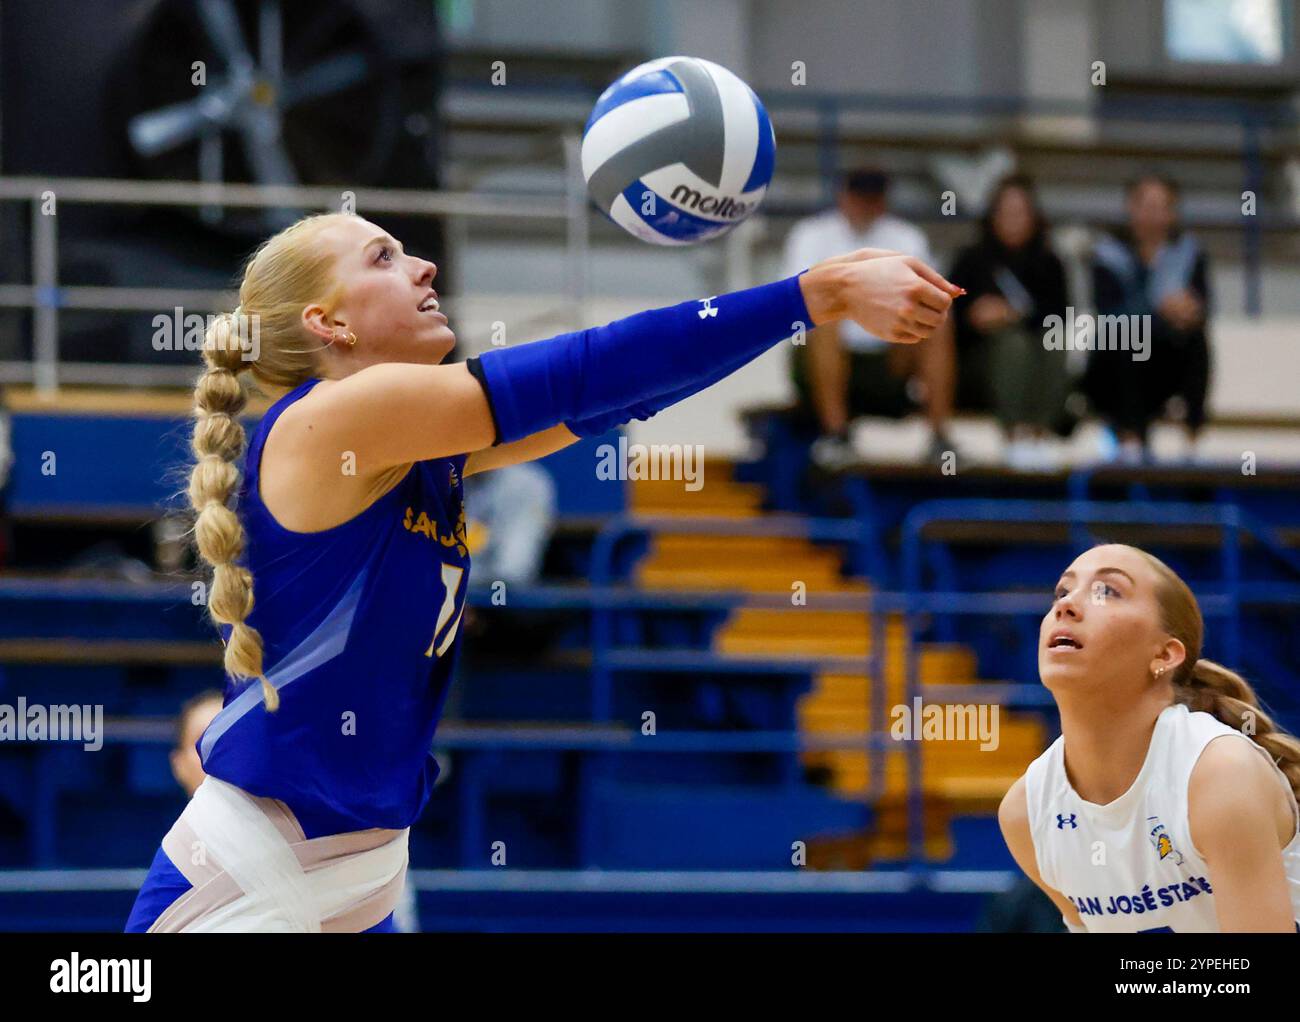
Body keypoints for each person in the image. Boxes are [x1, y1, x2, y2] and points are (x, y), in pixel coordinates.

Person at [124, 212, 959, 932]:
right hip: (257, 871)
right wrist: (812, 295)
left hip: (360, 867)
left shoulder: (412, 444)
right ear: (329, 325)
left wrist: (800, 311)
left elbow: (610, 396)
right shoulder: (331, 420)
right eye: (382, 257)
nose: (424, 266)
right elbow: (588, 367)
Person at [999, 543, 1300, 932]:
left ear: (1165, 655)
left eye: (1107, 591)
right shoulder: (1026, 813)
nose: (1067, 605)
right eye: (1062, 591)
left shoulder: (1218, 773)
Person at [783, 168, 958, 467]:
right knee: (822, 321)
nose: (865, 205)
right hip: (824, 356)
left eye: (872, 198)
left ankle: (939, 437)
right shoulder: (811, 235)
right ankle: (835, 433)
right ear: (843, 197)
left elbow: (927, 299)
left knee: (939, 323)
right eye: (859, 196)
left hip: (888, 354)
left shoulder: (906, 237)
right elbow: (795, 303)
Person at [1082, 174, 1212, 462]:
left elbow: (1201, 307)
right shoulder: (1107, 254)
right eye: (1146, 205)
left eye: (1161, 206)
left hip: (1164, 364)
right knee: (1128, 335)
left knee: (1196, 338)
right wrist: (1161, 310)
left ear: (1173, 212)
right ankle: (1131, 439)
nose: (1153, 215)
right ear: (1131, 208)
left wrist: (1188, 312)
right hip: (1114, 365)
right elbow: (1108, 313)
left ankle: (1192, 439)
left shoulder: (1189, 254)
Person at [948, 175, 1071, 470]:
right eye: (1005, 212)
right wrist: (975, 317)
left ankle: (1041, 434)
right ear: (992, 216)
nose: (1013, 220)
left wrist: (1010, 314)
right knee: (1011, 344)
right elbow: (949, 320)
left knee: (1053, 344)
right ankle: (1014, 434)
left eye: (1020, 212)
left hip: (1036, 366)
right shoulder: (971, 261)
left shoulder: (1049, 263)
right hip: (978, 368)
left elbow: (1057, 318)